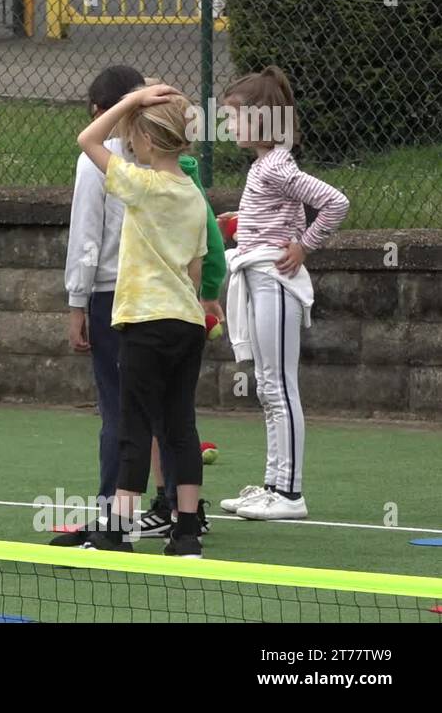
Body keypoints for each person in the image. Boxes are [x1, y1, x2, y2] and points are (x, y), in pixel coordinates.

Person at [55, 66, 224, 546]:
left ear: (146, 141)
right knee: (179, 427)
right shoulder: (193, 195)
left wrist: (130, 102)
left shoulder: (140, 185)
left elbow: (88, 141)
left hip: (143, 321)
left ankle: (116, 530)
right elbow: (196, 268)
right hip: (186, 322)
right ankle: (186, 531)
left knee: (132, 426)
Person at [217, 66, 348, 521]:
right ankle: (275, 484)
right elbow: (279, 213)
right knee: (268, 385)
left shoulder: (276, 164)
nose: (228, 126)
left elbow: (335, 202)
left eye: (234, 117)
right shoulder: (266, 166)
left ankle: (290, 493)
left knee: (278, 384)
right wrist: (240, 222)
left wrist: (303, 247)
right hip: (259, 277)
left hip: (275, 280)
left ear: (260, 119)